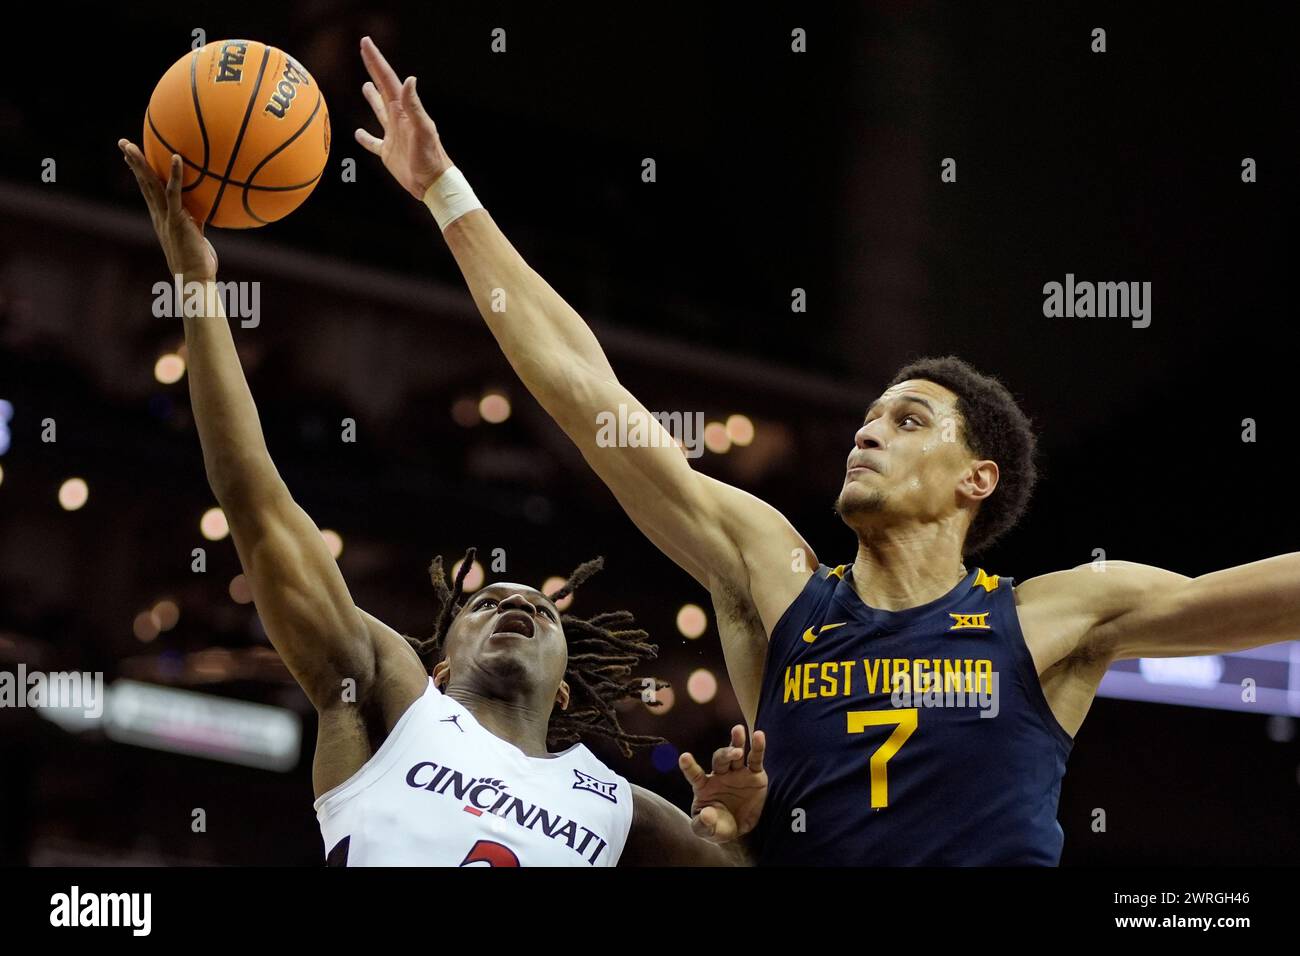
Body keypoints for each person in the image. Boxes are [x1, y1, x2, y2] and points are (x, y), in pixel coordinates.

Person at [353, 34, 1298, 864]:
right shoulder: (778, 580)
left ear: (978, 480)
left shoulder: (1062, 613)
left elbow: (1265, 598)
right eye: (869, 417)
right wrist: (445, 192)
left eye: (910, 420)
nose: (870, 430)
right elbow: (586, 389)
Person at [116, 138, 767, 866]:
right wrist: (196, 288)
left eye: (543, 611)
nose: (514, 606)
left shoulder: (621, 808)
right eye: (483, 604)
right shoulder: (387, 702)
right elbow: (251, 494)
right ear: (442, 669)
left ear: (562, 696)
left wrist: (731, 836)